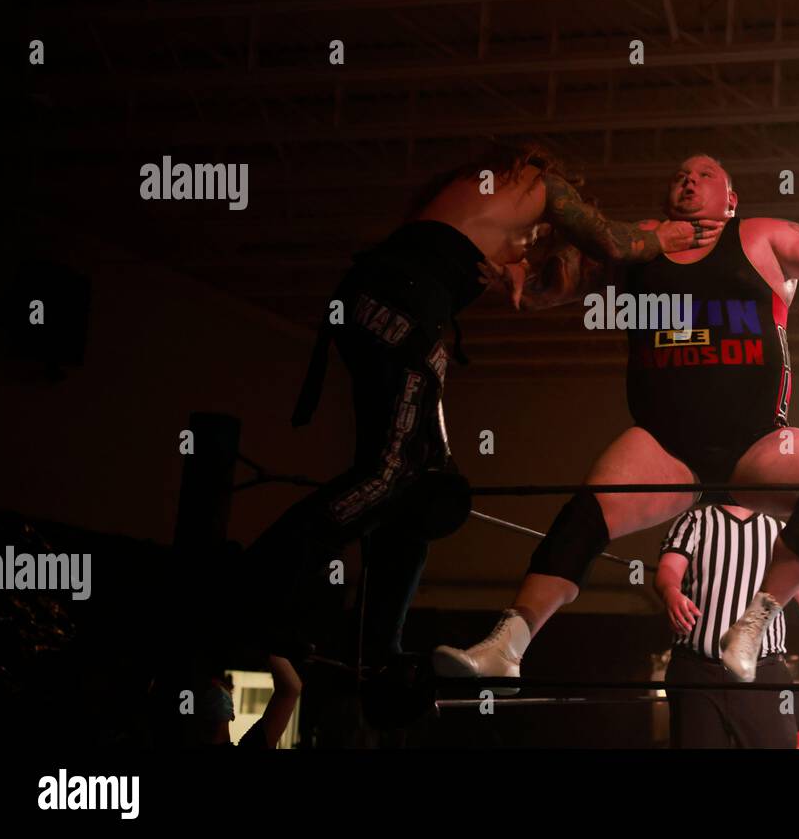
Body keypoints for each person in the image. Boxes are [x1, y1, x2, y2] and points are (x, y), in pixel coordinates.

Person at [237, 142, 725, 672]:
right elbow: (611, 242)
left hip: (380, 304)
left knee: (424, 485)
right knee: (390, 472)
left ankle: (379, 649)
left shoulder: (478, 192)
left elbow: (539, 283)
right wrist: (668, 235)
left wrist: (524, 282)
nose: (530, 240)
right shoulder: (541, 183)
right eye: (536, 234)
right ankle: (254, 585)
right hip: (403, 305)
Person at [434, 153, 799, 684]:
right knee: (584, 516)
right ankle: (508, 643)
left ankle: (756, 620)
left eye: (705, 174)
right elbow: (562, 281)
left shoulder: (761, 236)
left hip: (757, 443)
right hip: (666, 444)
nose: (689, 179)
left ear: (730, 200)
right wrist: (519, 279)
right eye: (680, 173)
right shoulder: (640, 241)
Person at [658, 502, 799, 748]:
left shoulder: (779, 532)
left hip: (762, 674)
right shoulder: (696, 522)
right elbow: (668, 568)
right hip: (698, 671)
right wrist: (670, 591)